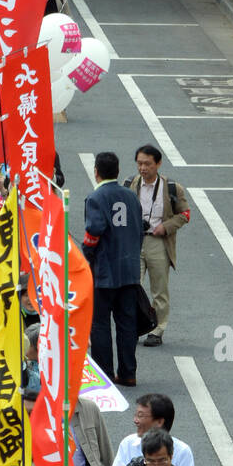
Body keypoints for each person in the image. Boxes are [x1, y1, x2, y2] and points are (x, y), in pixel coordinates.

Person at [82, 151, 144, 386]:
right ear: (117, 171)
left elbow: (93, 232)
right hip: (129, 271)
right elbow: (139, 230)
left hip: (103, 273)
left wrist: (86, 255)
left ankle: (104, 373)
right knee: (127, 324)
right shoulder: (131, 196)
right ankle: (128, 372)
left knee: (100, 324)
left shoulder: (96, 197)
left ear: (96, 171)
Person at [125, 144, 191, 347]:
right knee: (130, 286)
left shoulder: (172, 188)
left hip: (158, 242)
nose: (143, 168)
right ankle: (133, 326)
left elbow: (185, 214)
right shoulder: (129, 184)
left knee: (159, 289)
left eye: (147, 164)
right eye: (139, 163)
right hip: (134, 241)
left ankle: (157, 329)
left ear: (158, 164)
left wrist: (166, 226)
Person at [107, 392, 195, 466]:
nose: (135, 420)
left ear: (159, 422)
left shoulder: (182, 451)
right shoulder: (128, 444)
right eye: (136, 415)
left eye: (140, 416)